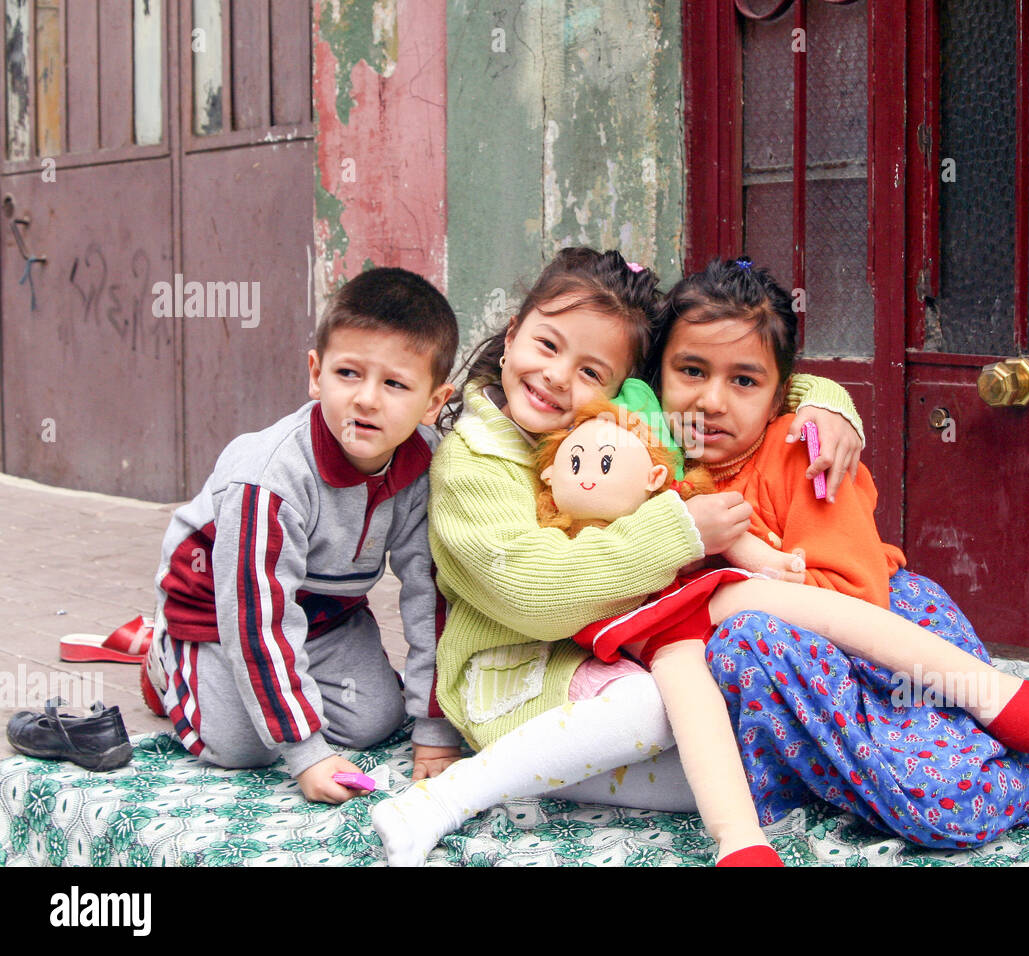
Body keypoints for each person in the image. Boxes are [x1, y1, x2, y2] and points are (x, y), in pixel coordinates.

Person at [370, 246, 864, 865]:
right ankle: (445, 799)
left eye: (590, 373)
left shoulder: (611, 429)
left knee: (754, 772)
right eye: (547, 347)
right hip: (513, 671)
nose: (556, 378)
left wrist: (826, 402)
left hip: (605, 653)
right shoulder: (474, 461)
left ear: (626, 390)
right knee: (661, 705)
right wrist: (679, 530)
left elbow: (740, 373)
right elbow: (535, 598)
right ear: (512, 334)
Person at [650, 257, 1029, 847]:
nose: (712, 401)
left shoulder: (805, 452)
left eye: (744, 380)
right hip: (797, 679)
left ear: (781, 395)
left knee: (940, 798)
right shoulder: (651, 464)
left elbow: (859, 597)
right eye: (691, 371)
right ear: (657, 375)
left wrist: (731, 577)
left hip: (880, 647)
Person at [138, 267, 462, 803]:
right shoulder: (269, 478)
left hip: (325, 615)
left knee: (374, 721)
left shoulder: (427, 467)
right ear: (316, 374)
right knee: (243, 746)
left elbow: (432, 597)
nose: (367, 399)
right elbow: (256, 618)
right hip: (221, 614)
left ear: (433, 402)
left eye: (396, 384)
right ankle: (165, 660)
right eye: (349, 373)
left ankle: (283, 688)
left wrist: (435, 732)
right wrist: (306, 751)